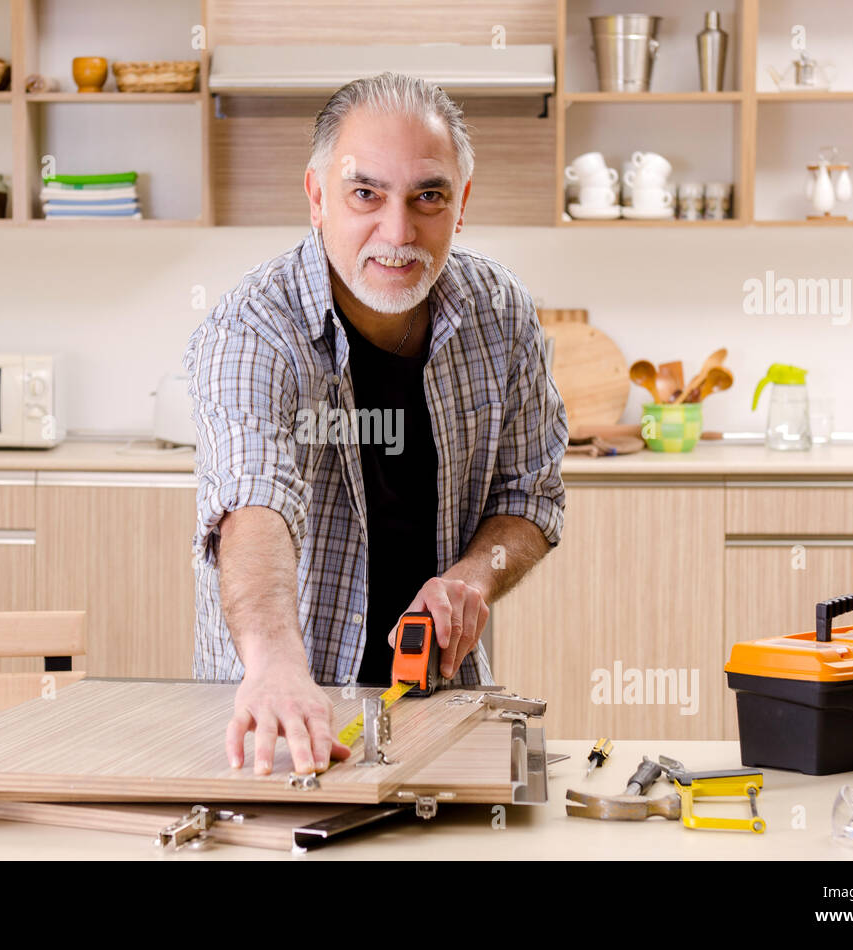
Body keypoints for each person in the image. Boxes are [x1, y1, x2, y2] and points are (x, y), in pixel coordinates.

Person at [183, 71, 568, 777]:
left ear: (462, 204)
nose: (398, 232)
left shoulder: (502, 315)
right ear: (317, 197)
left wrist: (474, 580)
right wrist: (273, 663)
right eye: (366, 194)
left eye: (428, 196)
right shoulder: (254, 331)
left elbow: (529, 498)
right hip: (282, 711)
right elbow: (253, 505)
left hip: (439, 704)